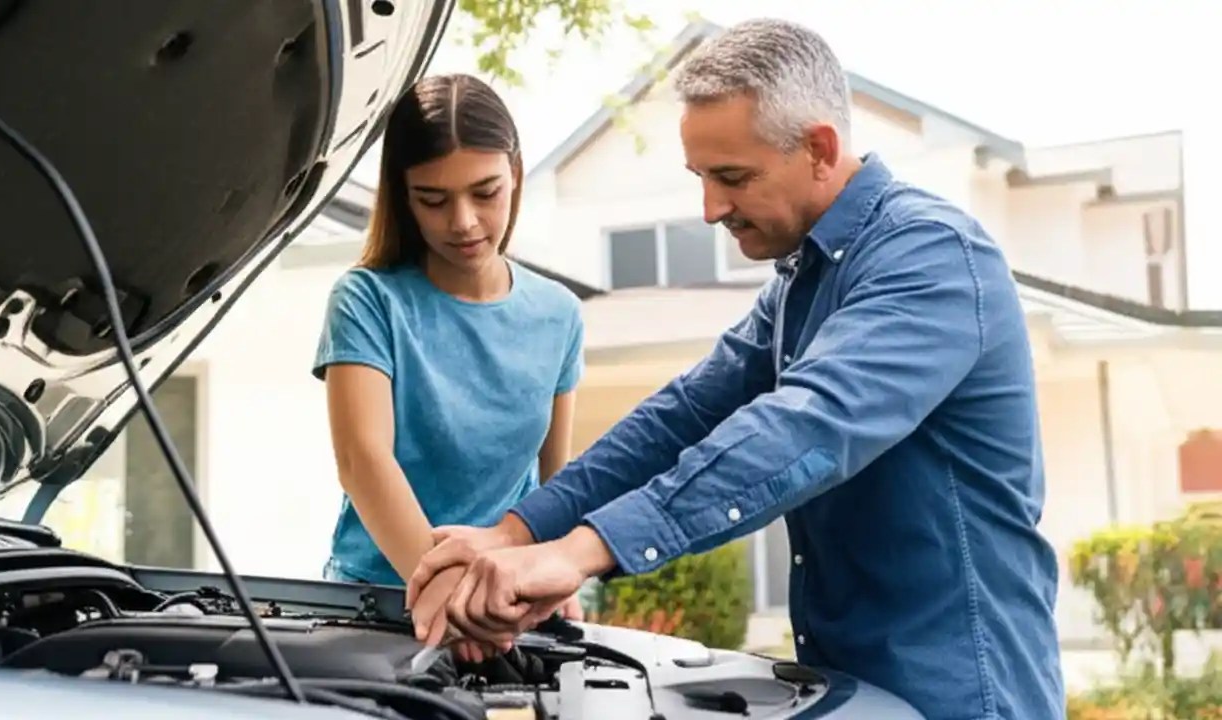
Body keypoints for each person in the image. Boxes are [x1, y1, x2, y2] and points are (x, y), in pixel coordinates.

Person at [405, 19, 1066, 720]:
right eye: (701, 178)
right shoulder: (802, 281)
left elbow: (804, 427)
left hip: (963, 698)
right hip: (852, 692)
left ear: (819, 149)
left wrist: (582, 552)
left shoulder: (929, 260)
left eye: (732, 178)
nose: (711, 207)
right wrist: (519, 531)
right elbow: (685, 414)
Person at [311, 73, 586, 658]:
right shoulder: (367, 300)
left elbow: (553, 480)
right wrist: (445, 592)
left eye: (485, 192)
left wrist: (556, 572)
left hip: (503, 608)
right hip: (379, 608)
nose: (462, 221)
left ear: (515, 173)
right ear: (403, 197)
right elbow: (363, 461)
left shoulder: (559, 313)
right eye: (433, 200)